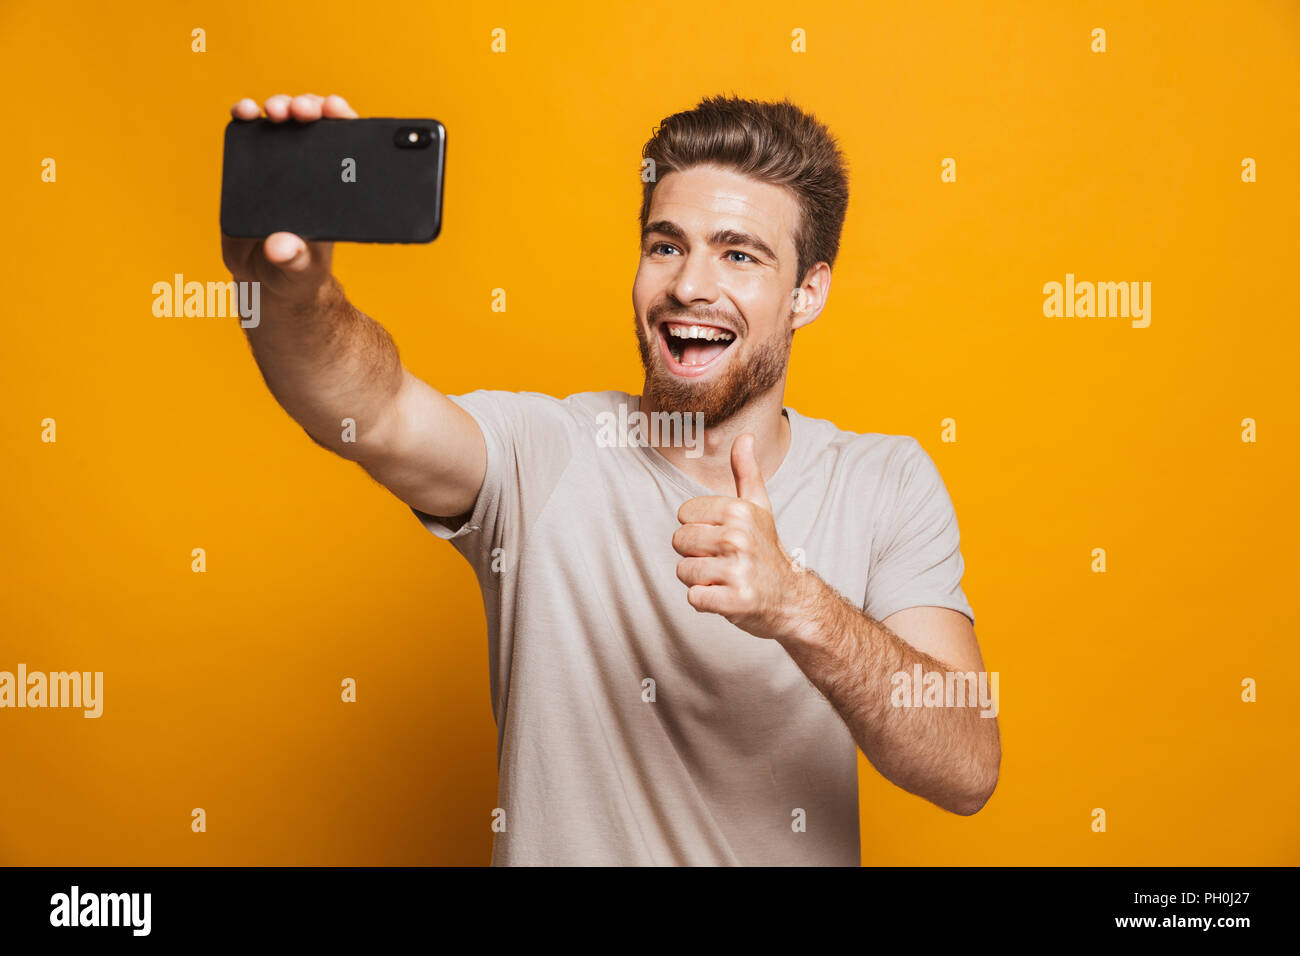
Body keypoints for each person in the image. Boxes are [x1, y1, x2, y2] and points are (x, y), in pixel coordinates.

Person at [223, 91, 1000, 866]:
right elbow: (373, 409)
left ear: (808, 292)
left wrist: (797, 603)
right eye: (666, 246)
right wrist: (287, 289)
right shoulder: (547, 451)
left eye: (738, 253)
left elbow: (968, 766)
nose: (690, 285)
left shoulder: (886, 482)